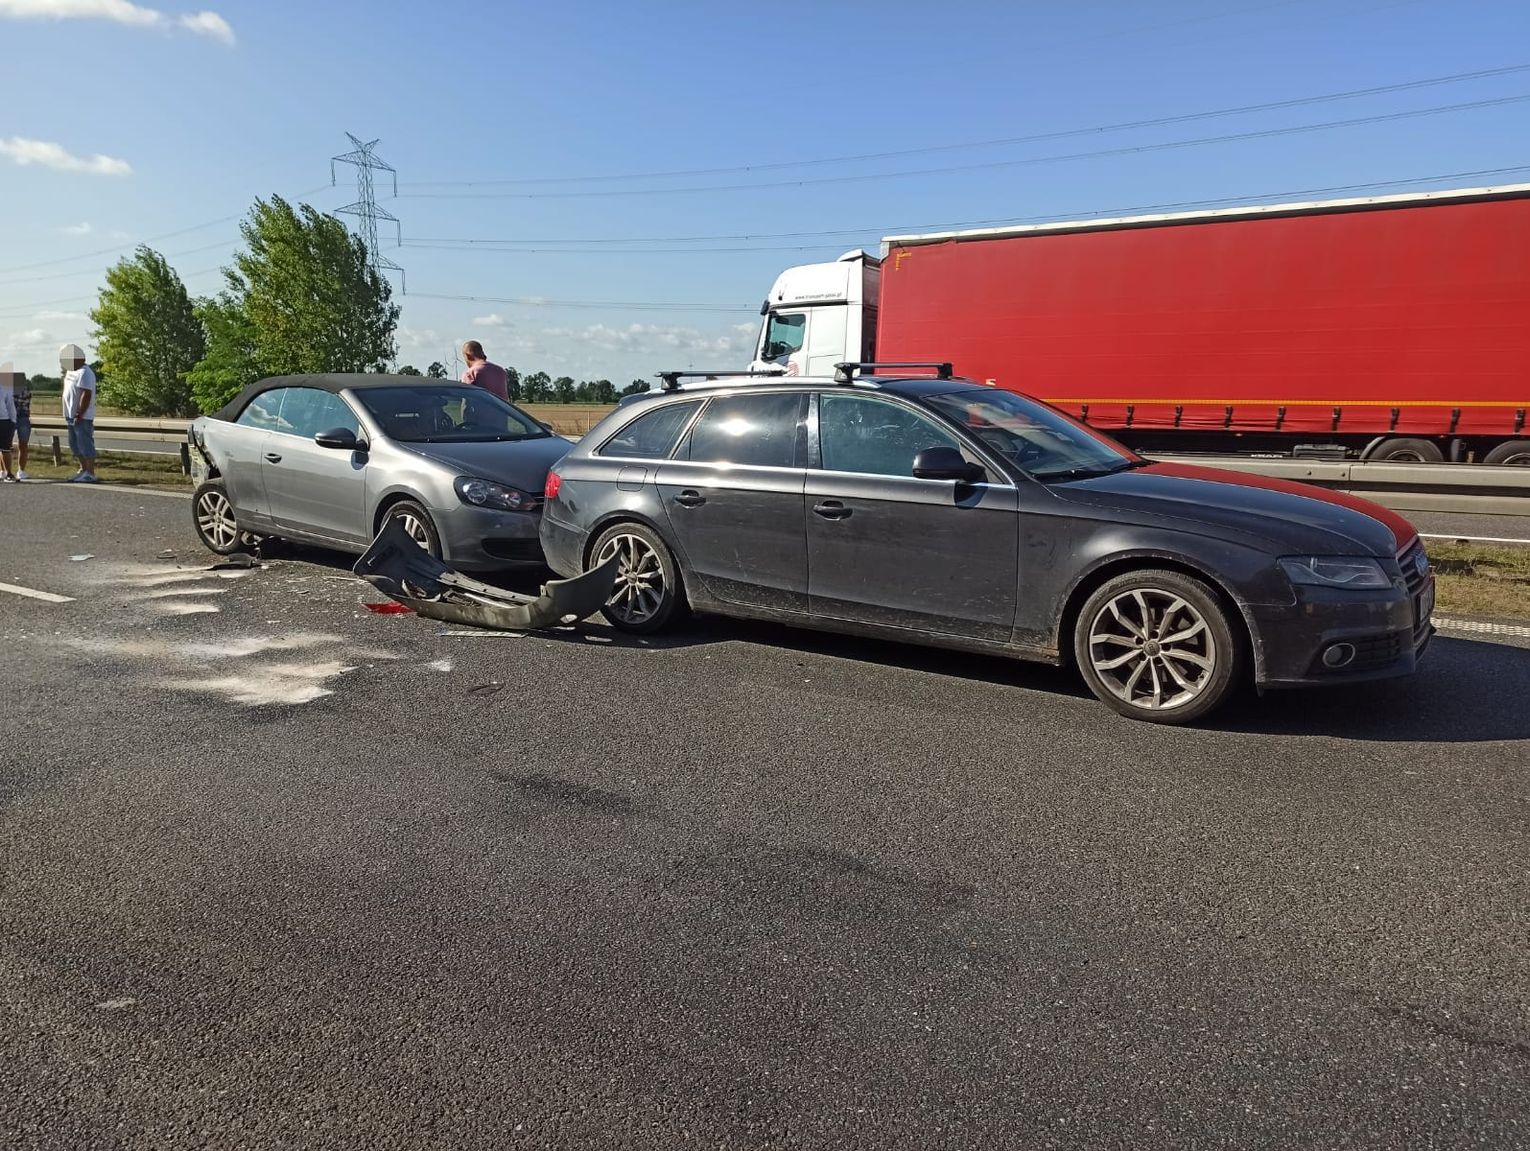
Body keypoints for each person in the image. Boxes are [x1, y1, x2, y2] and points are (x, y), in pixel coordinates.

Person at [60, 343, 98, 483]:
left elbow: (86, 394)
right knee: (74, 444)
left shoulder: (85, 373)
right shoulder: (71, 371)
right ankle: (83, 469)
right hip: (70, 415)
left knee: (85, 443)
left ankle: (90, 472)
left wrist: (80, 413)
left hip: (82, 416)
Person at [0, 363, 16, 482]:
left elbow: (10, 405)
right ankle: (2, 472)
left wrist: (12, 421)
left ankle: (9, 473)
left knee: (5, 449)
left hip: (4, 420)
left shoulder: (5, 386)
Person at [13, 369, 30, 480]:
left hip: (11, 417)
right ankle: (21, 470)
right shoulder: (26, 391)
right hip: (23, 417)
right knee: (23, 445)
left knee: (5, 446)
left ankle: (3, 470)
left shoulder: (9, 391)